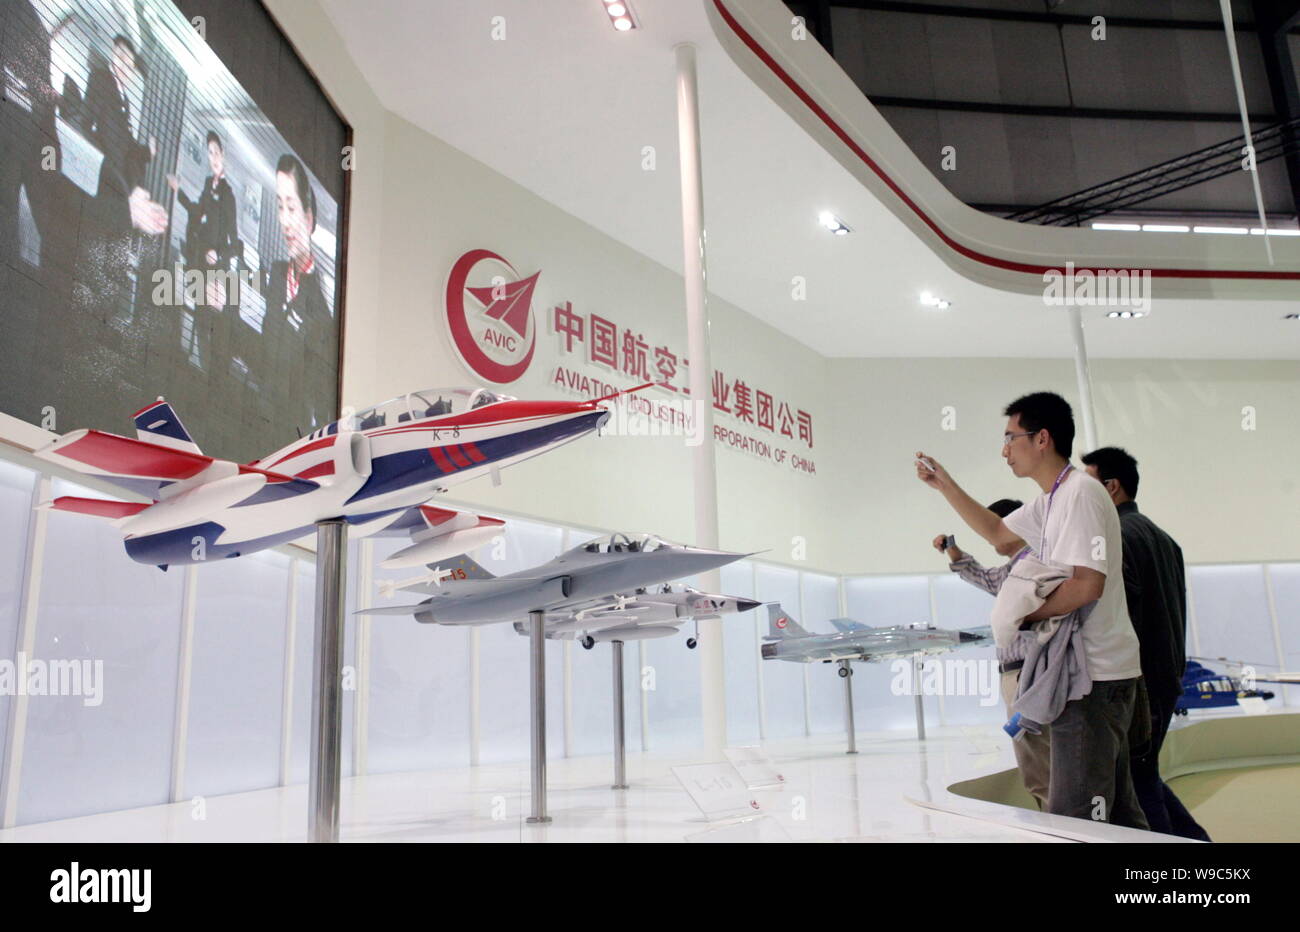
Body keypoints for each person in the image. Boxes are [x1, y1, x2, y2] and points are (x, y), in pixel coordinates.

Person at [916, 391, 1148, 829]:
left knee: (1079, 817)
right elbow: (1001, 537)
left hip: (1092, 679)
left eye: (1010, 438)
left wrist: (1022, 615)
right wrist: (945, 484)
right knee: (1114, 812)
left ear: (1042, 439)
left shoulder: (1080, 493)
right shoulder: (1052, 498)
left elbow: (1086, 585)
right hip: (1086, 676)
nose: (1004, 451)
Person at [1082, 446, 1211, 841]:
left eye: (1087, 487)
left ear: (1112, 487)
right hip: (1166, 676)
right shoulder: (1164, 539)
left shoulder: (1116, 538)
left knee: (1138, 783)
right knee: (1143, 774)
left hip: (1137, 685)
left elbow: (1122, 619)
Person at [934, 498, 1052, 809]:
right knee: (1035, 755)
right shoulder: (1014, 569)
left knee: (1038, 757)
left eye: (994, 527)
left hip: (1028, 673)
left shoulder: (1031, 565)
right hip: (1020, 675)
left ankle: (1059, 821)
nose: (990, 536)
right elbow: (983, 577)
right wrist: (952, 550)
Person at [259, 153, 332, 430]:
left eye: (292, 207)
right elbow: (265, 349)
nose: (285, 221)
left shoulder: (322, 298)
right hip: (261, 415)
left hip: (296, 434)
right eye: (280, 207)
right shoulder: (276, 275)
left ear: (309, 218)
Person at [168, 130, 240, 308]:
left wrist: (218, 255)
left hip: (215, 271)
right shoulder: (208, 183)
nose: (214, 157)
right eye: (210, 152)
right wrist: (179, 191)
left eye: (216, 152)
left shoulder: (229, 195)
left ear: (222, 155)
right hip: (199, 259)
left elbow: (237, 244)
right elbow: (197, 211)